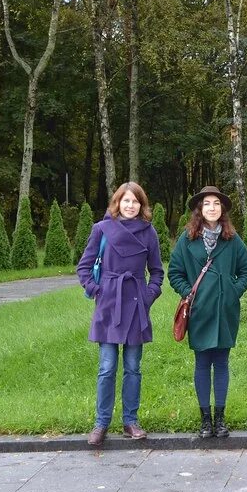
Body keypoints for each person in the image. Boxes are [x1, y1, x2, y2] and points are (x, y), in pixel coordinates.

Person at [77, 182, 164, 446]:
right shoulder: (101, 230)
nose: (130, 205)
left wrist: (149, 295)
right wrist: (97, 291)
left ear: (141, 205)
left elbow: (157, 271)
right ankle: (101, 424)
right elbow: (84, 266)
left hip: (137, 304)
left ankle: (130, 421)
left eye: (135, 201)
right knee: (106, 368)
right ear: (117, 203)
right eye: (125, 201)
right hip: (109, 304)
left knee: (133, 368)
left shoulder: (149, 233)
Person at [168, 186, 247, 439]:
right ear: (199, 209)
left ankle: (220, 417)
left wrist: (232, 292)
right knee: (203, 364)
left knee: (222, 363)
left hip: (225, 312)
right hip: (199, 312)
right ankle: (205, 419)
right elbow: (175, 273)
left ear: (222, 209)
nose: (212, 208)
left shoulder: (232, 240)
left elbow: (246, 271)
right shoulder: (187, 240)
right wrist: (189, 294)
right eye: (207, 204)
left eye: (216, 203)